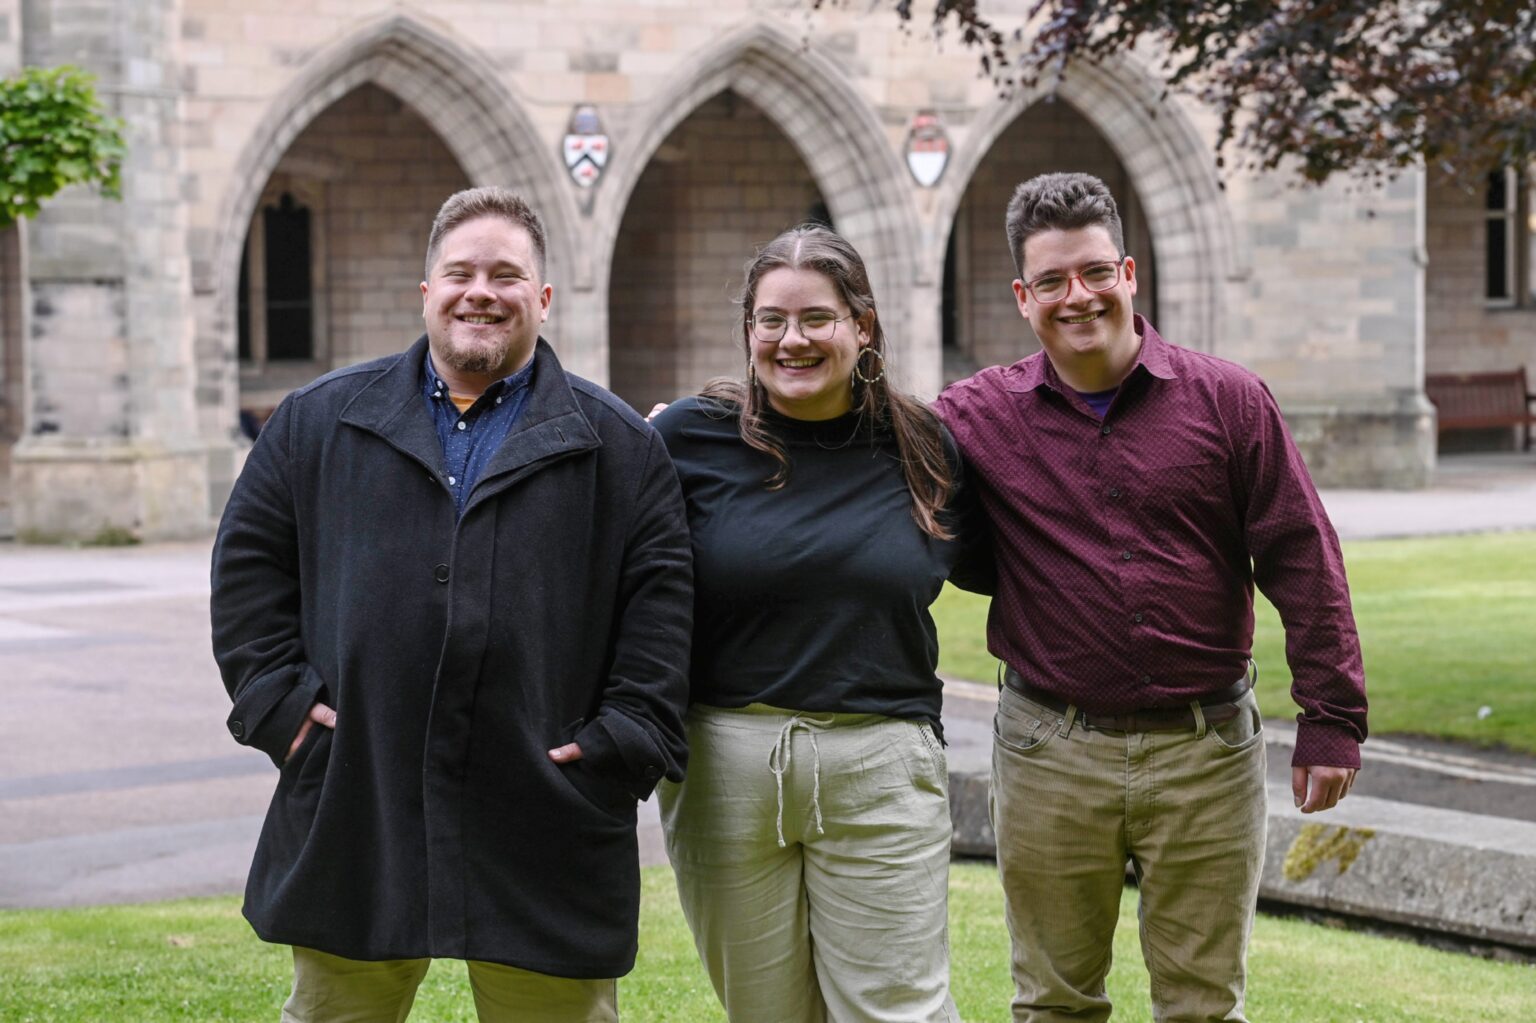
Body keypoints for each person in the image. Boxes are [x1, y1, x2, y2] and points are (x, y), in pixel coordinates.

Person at [210, 186, 693, 1022]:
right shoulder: (319, 421)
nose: (482, 291)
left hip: (546, 802)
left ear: (542, 299)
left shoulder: (620, 446)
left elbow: (662, 608)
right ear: (425, 291)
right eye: (460, 272)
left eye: (507, 275)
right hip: (359, 788)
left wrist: (623, 743)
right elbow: (248, 572)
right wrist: (278, 705)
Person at [933, 172, 1368, 1023]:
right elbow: (860, 439)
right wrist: (700, 428)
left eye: (1095, 271)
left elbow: (1301, 555)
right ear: (1025, 296)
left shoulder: (1229, 401)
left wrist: (1332, 717)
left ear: (1129, 273)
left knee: (1203, 1007)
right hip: (1049, 747)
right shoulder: (977, 415)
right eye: (1052, 280)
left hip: (1206, 750)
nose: (1078, 295)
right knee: (1055, 1004)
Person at [650, 224, 986, 1022]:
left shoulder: (926, 447)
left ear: (861, 326)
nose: (791, 339)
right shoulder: (683, 438)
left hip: (882, 763)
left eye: (816, 319)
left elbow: (1011, 562)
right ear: (748, 331)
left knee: (900, 1011)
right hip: (726, 765)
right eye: (770, 320)